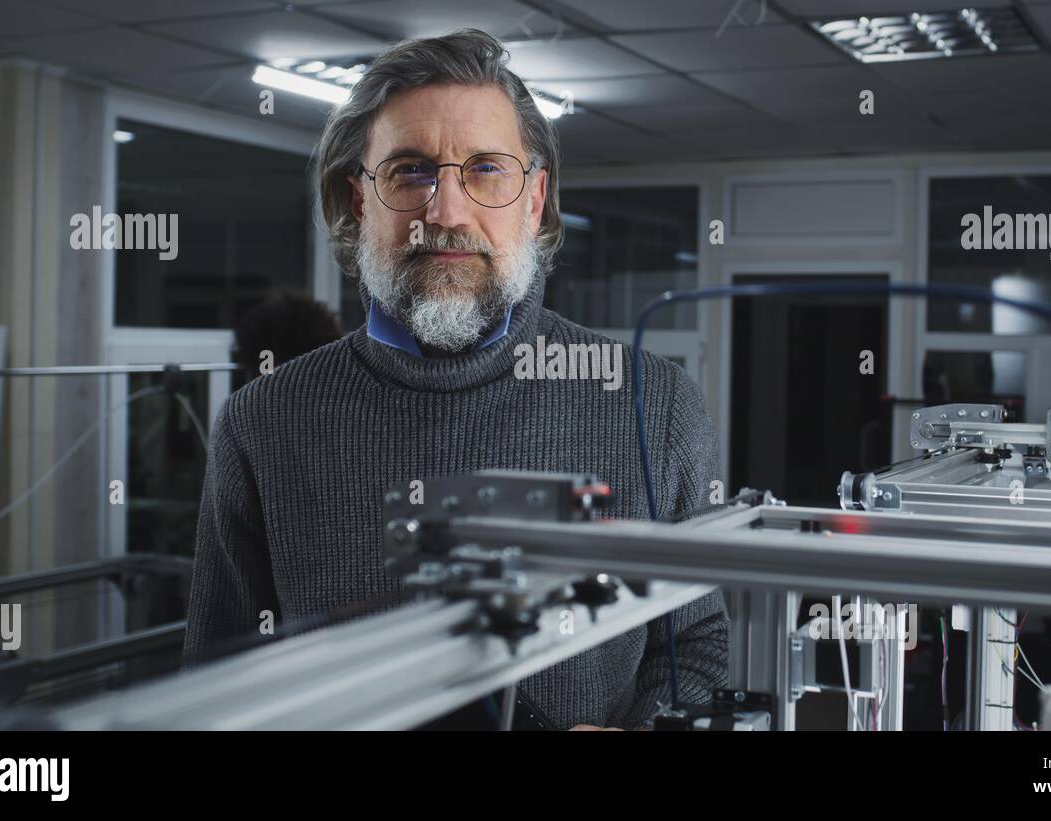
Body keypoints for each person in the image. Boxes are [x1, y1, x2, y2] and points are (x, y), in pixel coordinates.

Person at [183, 28, 727, 730]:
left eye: (487, 170)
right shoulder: (262, 424)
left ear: (535, 202)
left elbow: (697, 648)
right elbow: (216, 682)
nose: (446, 212)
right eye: (410, 171)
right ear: (358, 202)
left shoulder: (654, 406)